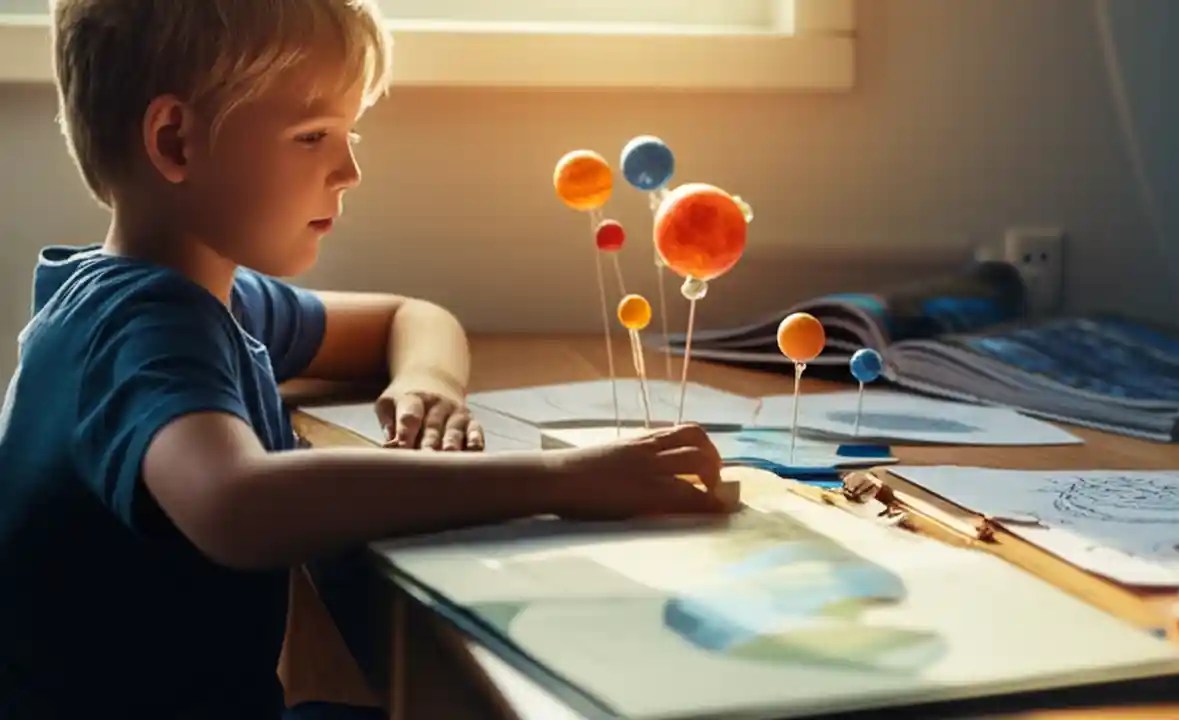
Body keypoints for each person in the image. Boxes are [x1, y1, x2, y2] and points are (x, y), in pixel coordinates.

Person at [0, 1, 729, 717]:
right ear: (176, 143)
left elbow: (410, 318)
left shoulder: (193, 293)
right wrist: (561, 478)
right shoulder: (143, 327)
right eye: (314, 136)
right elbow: (238, 504)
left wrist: (427, 383)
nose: (349, 170)